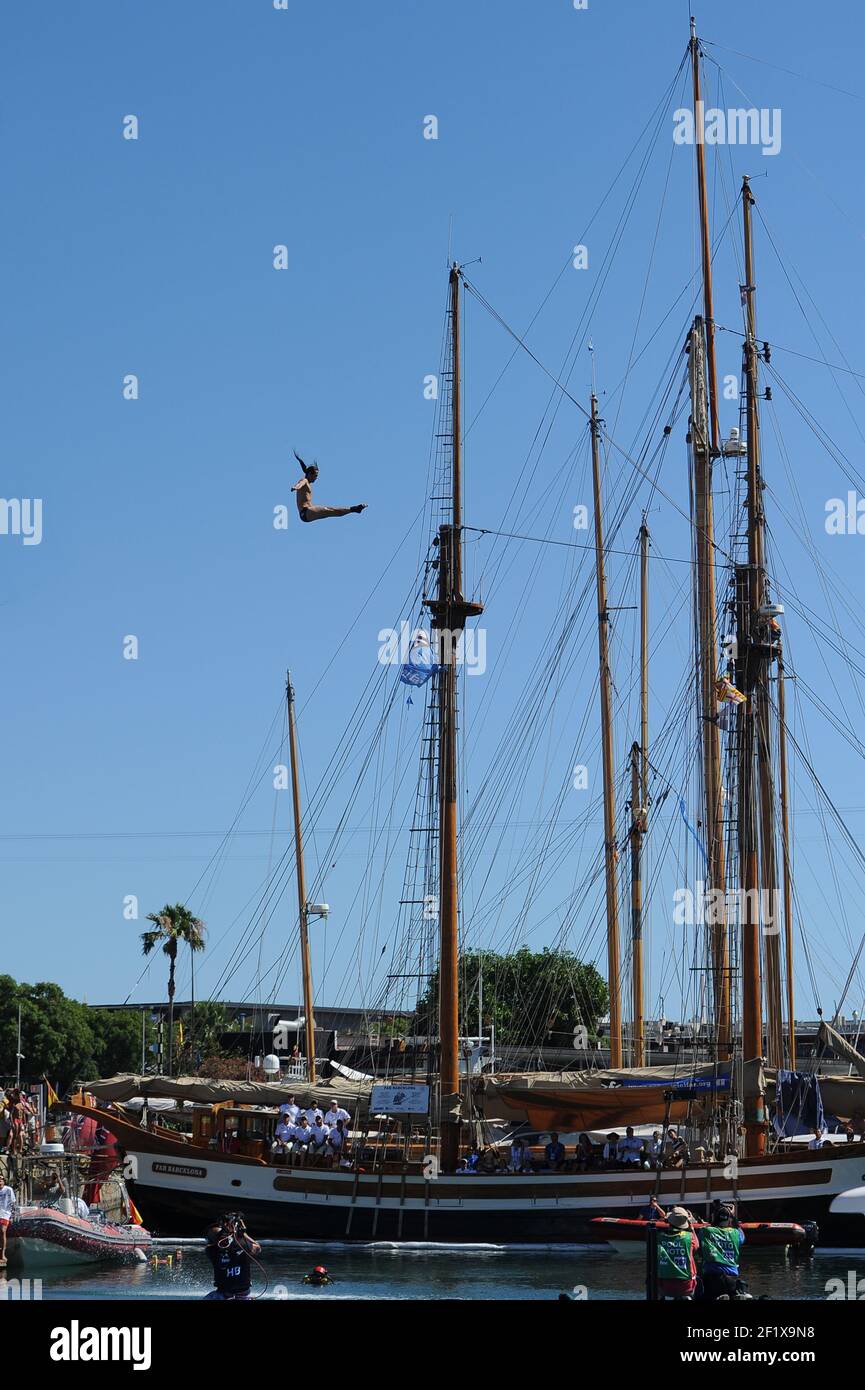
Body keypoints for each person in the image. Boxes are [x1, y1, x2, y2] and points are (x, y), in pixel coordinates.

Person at [292, 452, 367, 523]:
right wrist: (295, 487)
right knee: (329, 510)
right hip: (305, 512)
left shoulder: (308, 483)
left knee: (334, 512)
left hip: (308, 513)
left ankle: (354, 509)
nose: (316, 478)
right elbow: (300, 484)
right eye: (315, 476)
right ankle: (354, 509)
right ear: (309, 474)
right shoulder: (304, 480)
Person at [204, 1213, 261, 1300]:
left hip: (224, 1294)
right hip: (239, 1294)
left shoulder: (210, 1251)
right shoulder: (244, 1245)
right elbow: (257, 1247)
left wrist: (229, 1232)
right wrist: (242, 1234)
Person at [698, 1204, 746, 1301]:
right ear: (729, 1220)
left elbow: (698, 1246)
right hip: (731, 1280)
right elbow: (742, 1235)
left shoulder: (705, 1231)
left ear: (715, 1218)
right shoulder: (736, 1233)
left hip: (712, 1279)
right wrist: (733, 1217)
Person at [656, 1207, 699, 1300]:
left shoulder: (659, 1237)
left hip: (664, 1285)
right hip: (686, 1286)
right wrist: (691, 1228)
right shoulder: (689, 1237)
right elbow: (696, 1246)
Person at [0, 1180, 15, 1267]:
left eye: (1, 1180)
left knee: (3, 1231)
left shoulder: (8, 1189)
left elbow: (13, 1203)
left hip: (5, 1214)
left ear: (3, 1181)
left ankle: (3, 1254)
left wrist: (12, 1216)